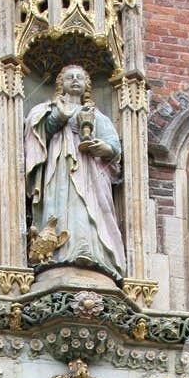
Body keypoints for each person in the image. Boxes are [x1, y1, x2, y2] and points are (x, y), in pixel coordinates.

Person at [24, 63, 126, 281]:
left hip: (90, 169)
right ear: (61, 84)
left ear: (87, 85)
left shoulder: (96, 115)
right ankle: (58, 252)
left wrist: (103, 148)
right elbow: (38, 133)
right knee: (60, 205)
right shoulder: (50, 107)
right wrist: (59, 117)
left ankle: (90, 251)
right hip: (59, 165)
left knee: (89, 208)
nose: (75, 80)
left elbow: (113, 145)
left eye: (80, 77)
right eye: (70, 77)